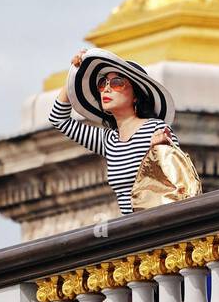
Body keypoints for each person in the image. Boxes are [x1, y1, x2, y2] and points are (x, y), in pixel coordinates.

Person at [48, 49, 179, 215]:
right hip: (128, 230)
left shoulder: (155, 129)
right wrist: (75, 71)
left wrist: (161, 154)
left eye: (117, 82)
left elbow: (178, 183)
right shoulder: (109, 140)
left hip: (157, 227)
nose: (106, 89)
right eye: (102, 83)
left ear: (136, 95)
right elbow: (58, 119)